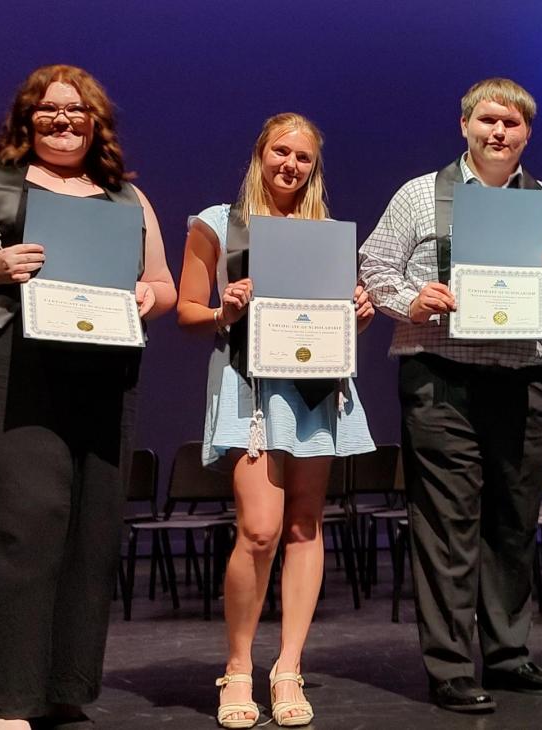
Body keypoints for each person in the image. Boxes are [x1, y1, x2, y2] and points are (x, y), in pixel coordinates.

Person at [0, 64, 176, 728]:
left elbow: (161, 283)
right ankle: (7, 700)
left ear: (96, 122)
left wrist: (148, 298)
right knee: (15, 527)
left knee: (87, 529)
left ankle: (61, 686)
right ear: (27, 117)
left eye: (77, 111)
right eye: (48, 110)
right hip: (4, 368)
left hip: (99, 372)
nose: (62, 120)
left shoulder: (124, 198)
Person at [358, 78, 542, 713]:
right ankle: (449, 666)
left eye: (512, 124)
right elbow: (373, 268)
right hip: (442, 378)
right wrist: (410, 299)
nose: (499, 132)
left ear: (528, 133)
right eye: (488, 121)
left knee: (513, 522)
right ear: (465, 125)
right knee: (446, 527)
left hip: (524, 380)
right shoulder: (421, 195)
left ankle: (507, 654)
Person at [176, 112, 375, 728]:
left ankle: (288, 665)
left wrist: (360, 314)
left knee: (305, 527)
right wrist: (222, 309)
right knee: (259, 530)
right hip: (250, 389)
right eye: (280, 152)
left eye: (303, 158)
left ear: (315, 168)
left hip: (316, 386)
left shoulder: (325, 234)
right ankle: (238, 667)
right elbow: (184, 310)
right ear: (260, 154)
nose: (290, 164)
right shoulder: (218, 224)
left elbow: (340, 321)